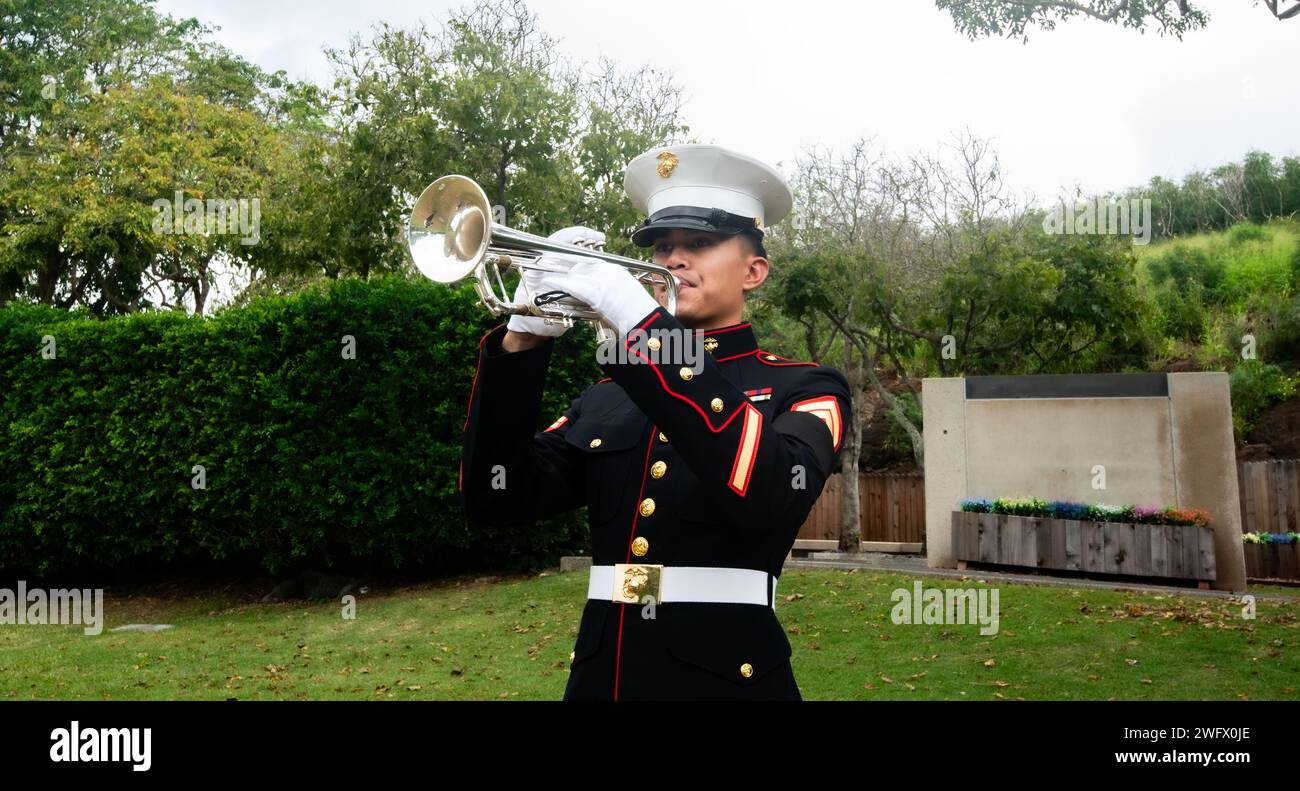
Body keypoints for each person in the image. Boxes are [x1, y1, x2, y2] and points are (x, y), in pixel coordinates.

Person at [458, 144, 852, 700]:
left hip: (726, 680)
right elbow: (496, 498)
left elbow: (770, 493)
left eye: (700, 244)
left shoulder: (807, 388)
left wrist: (641, 327)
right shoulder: (609, 395)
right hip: (602, 677)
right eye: (664, 246)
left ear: (754, 271)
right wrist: (521, 339)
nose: (673, 260)